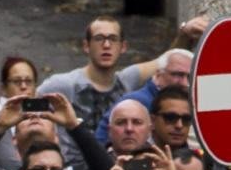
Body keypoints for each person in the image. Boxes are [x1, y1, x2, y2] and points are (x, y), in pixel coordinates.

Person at [39, 14, 207, 135]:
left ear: (123, 46)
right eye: (99, 39)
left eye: (112, 39)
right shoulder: (63, 84)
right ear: (86, 46)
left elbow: (169, 61)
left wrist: (185, 33)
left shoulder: (127, 79)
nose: (106, 45)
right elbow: (26, 105)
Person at [0, 56, 39, 167]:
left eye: (28, 81)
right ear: (3, 88)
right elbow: (11, 165)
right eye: (17, 81)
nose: (24, 86)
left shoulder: (47, 115)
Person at [150, 85, 194, 151]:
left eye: (186, 119)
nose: (179, 125)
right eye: (171, 118)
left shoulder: (198, 158)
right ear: (152, 121)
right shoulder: (135, 156)